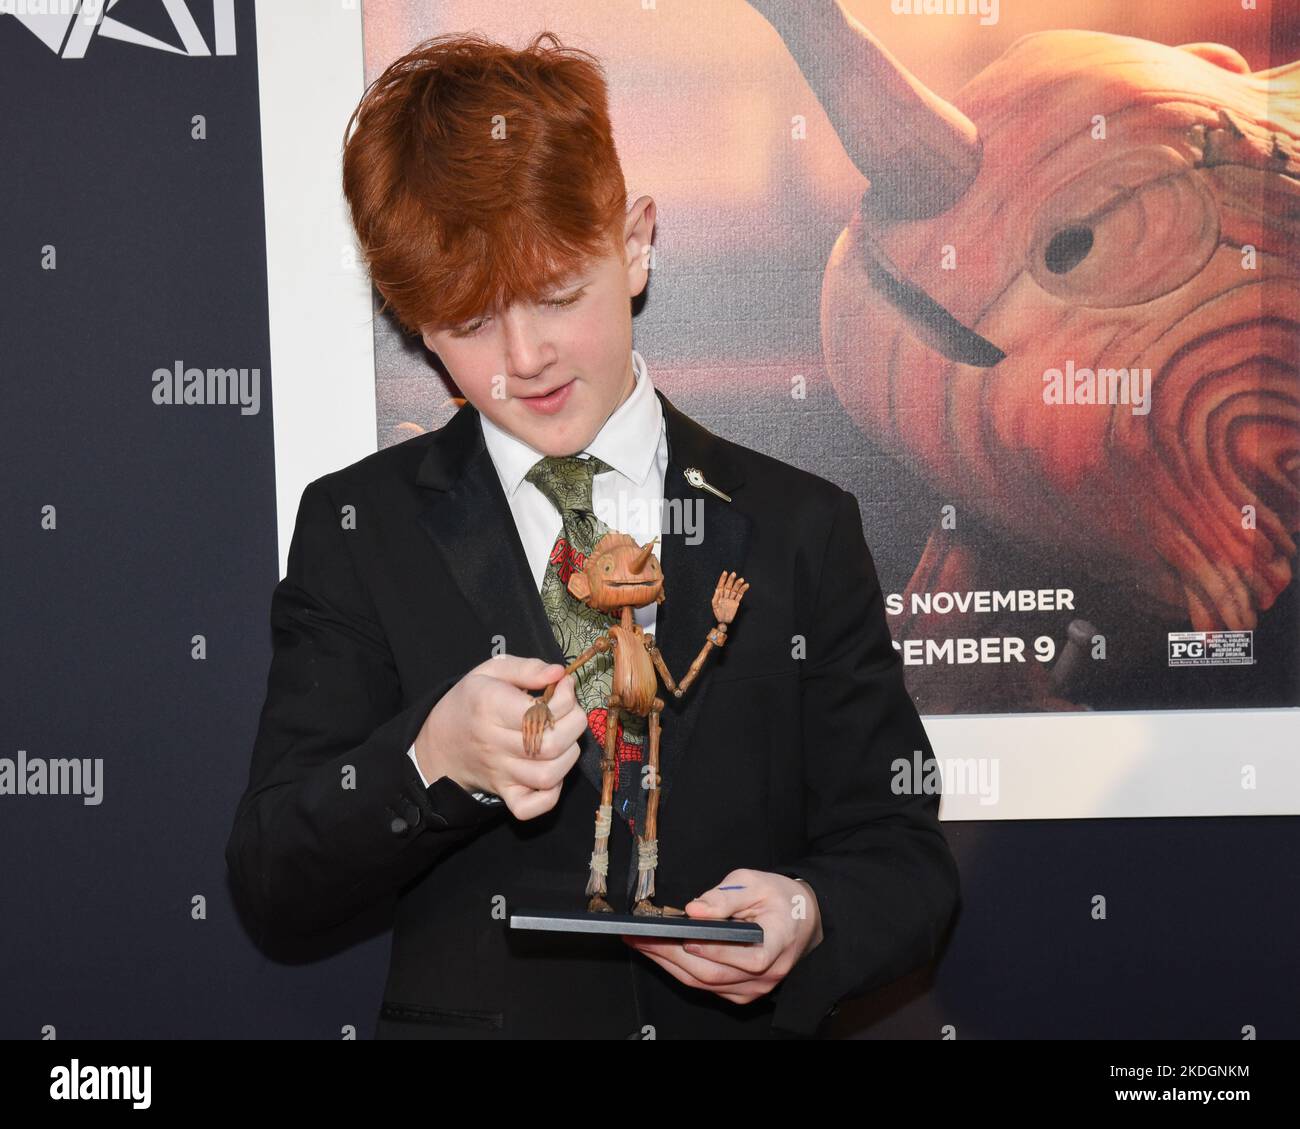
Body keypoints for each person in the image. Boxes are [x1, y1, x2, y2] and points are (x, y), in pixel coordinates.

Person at [225, 29, 959, 1040]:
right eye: (468, 323)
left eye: (555, 296)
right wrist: (429, 759)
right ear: (413, 320)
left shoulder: (800, 528)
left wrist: (808, 913)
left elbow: (901, 852)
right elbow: (272, 878)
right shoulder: (360, 528)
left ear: (635, 241)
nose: (524, 358)